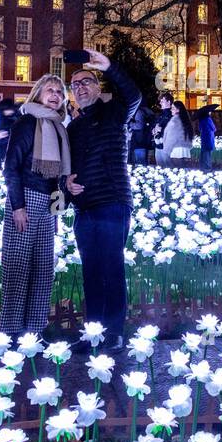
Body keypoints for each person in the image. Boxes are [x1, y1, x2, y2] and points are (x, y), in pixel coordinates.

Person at [65, 50, 142, 348]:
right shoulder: (73, 128)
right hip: (85, 208)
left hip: (112, 201)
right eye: (75, 85)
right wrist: (66, 182)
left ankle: (114, 334)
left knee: (111, 268)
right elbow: (65, 166)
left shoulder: (114, 113)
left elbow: (133, 95)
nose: (80, 87)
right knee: (91, 272)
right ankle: (93, 333)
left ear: (98, 88)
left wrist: (110, 66)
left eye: (86, 82)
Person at [0, 75, 70, 336]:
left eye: (59, 92)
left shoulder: (58, 126)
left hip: (48, 204)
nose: (55, 95)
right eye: (49, 90)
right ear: (37, 93)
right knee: (18, 267)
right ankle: (10, 331)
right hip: (26, 199)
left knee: (43, 269)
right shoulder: (28, 123)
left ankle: (35, 330)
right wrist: (18, 206)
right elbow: (11, 167)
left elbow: (59, 173)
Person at [163, 100, 193, 164]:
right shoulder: (185, 120)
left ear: (178, 110)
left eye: (173, 108)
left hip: (176, 150)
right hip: (186, 150)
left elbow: (171, 137)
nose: (171, 110)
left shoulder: (175, 121)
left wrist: (167, 150)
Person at [153, 93, 174, 165]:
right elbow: (154, 126)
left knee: (168, 167)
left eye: (162, 101)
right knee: (160, 167)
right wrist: (153, 130)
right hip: (158, 145)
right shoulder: (160, 115)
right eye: (160, 101)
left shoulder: (172, 115)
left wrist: (161, 130)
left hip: (167, 147)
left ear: (169, 102)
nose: (160, 102)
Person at [197, 104, 218, 171]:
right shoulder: (208, 119)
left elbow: (199, 128)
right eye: (209, 111)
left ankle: (202, 166)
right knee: (208, 153)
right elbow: (214, 128)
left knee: (203, 152)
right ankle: (207, 167)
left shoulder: (201, 120)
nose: (210, 112)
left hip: (203, 137)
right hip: (209, 137)